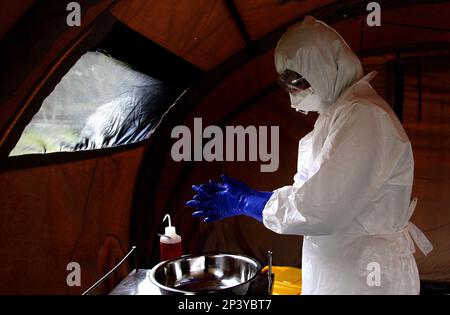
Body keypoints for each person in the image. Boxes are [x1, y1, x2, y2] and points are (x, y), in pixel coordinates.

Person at [186, 16, 433, 295]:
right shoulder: (337, 115)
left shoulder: (364, 117)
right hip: (342, 268)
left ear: (325, 68)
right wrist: (259, 197)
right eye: (286, 83)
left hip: (365, 276)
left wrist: (246, 202)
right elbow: (314, 194)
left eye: (298, 82)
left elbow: (320, 209)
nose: (293, 93)